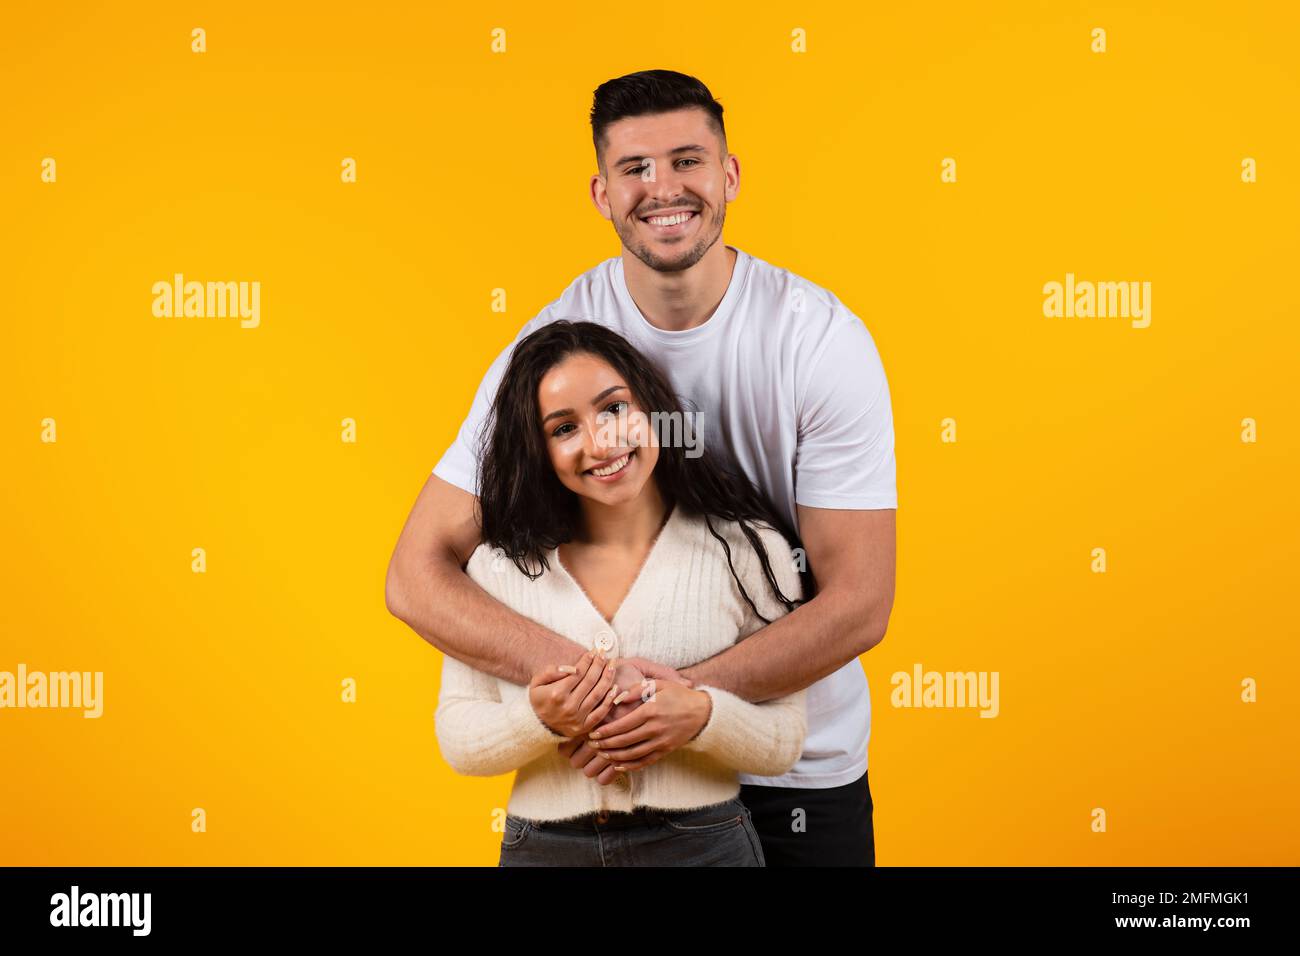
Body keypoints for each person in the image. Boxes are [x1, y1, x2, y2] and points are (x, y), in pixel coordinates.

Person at [387, 69, 896, 866]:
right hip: (605, 783)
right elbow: (415, 574)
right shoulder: (550, 349)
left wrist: (690, 703)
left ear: (729, 175)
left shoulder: (819, 342)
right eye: (636, 169)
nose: (664, 187)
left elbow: (862, 601)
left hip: (798, 768)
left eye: (688, 160)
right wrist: (601, 697)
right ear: (601, 192)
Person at [435, 321, 808, 865]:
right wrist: (537, 718)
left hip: (703, 847)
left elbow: (786, 738)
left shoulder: (747, 550)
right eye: (564, 428)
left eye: (613, 408)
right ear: (538, 450)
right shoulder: (499, 567)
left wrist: (702, 717)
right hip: (542, 850)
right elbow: (457, 738)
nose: (600, 441)